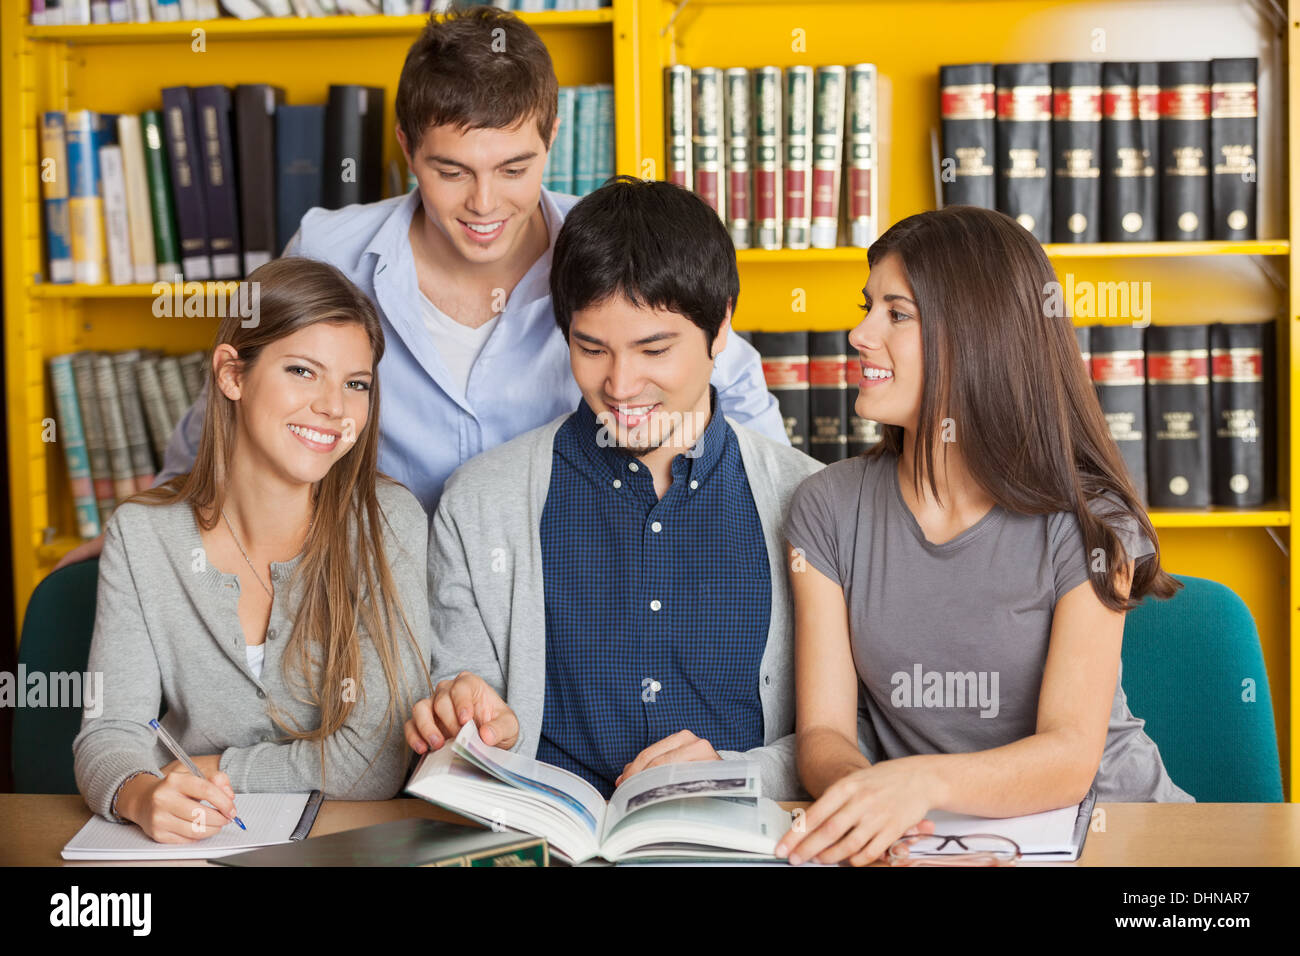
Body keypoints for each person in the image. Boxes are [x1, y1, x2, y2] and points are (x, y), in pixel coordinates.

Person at [54, 7, 783, 571]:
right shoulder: (328, 250)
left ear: (552, 138)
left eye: (513, 168)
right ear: (406, 148)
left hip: (558, 611)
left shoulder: (611, 259)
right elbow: (228, 406)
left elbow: (731, 394)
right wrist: (152, 524)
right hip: (366, 601)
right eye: (452, 171)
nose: (485, 204)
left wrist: (806, 549)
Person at [773, 206, 1193, 867]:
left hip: (1114, 836)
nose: (858, 333)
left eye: (896, 313)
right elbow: (823, 731)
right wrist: (870, 812)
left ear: (977, 335)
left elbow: (1068, 758)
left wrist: (919, 784)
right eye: (866, 307)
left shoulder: (1090, 521)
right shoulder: (826, 508)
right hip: (938, 842)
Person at [403, 177, 822, 799]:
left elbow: (859, 733)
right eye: (591, 348)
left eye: (654, 349)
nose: (621, 386)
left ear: (722, 326)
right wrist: (474, 723)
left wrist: (741, 772)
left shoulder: (810, 502)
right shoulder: (479, 504)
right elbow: (463, 720)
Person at [73, 258, 432, 843]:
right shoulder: (143, 536)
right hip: (198, 846)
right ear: (232, 375)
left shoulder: (386, 524)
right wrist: (142, 794)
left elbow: (373, 760)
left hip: (346, 850)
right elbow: (111, 731)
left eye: (356, 383)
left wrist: (218, 767)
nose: (334, 408)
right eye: (302, 371)